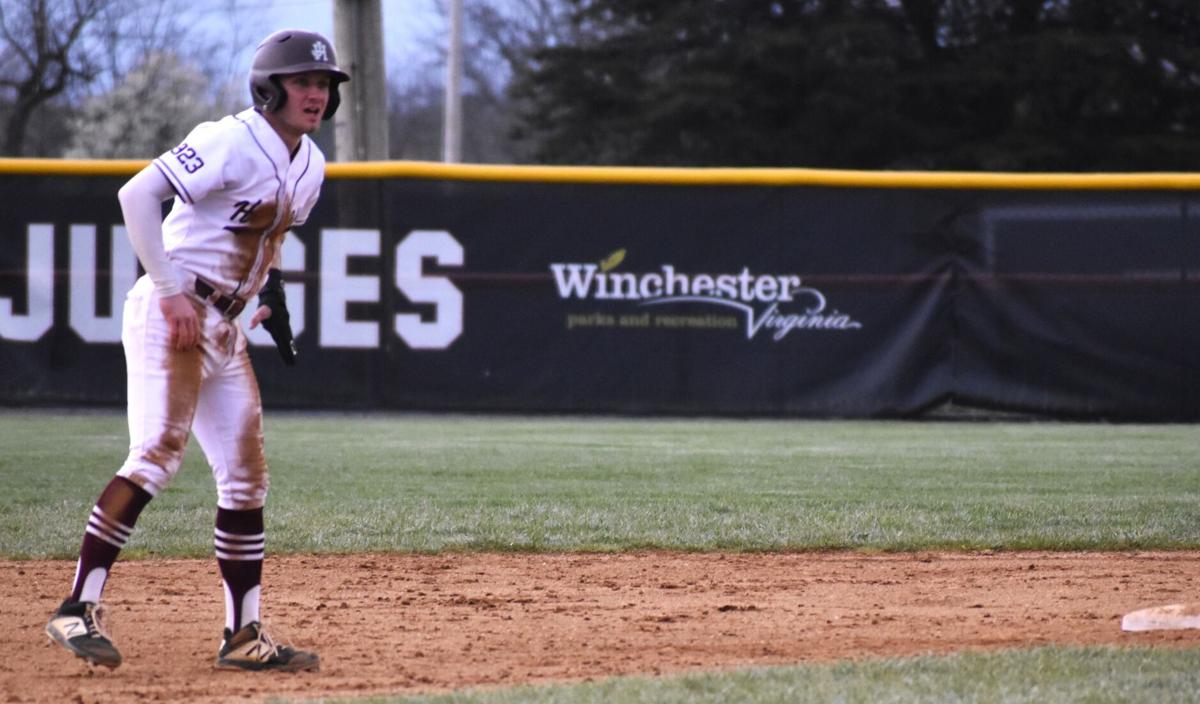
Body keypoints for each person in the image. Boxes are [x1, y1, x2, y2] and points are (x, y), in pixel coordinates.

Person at [44, 28, 349, 672]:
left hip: (225, 325)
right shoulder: (229, 139)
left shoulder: (311, 164)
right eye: (303, 81)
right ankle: (77, 607)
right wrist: (168, 287)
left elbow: (267, 242)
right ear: (270, 88)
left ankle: (243, 637)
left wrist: (273, 299)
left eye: (323, 84)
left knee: (246, 482)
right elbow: (136, 195)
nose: (316, 94)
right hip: (172, 313)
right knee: (155, 456)